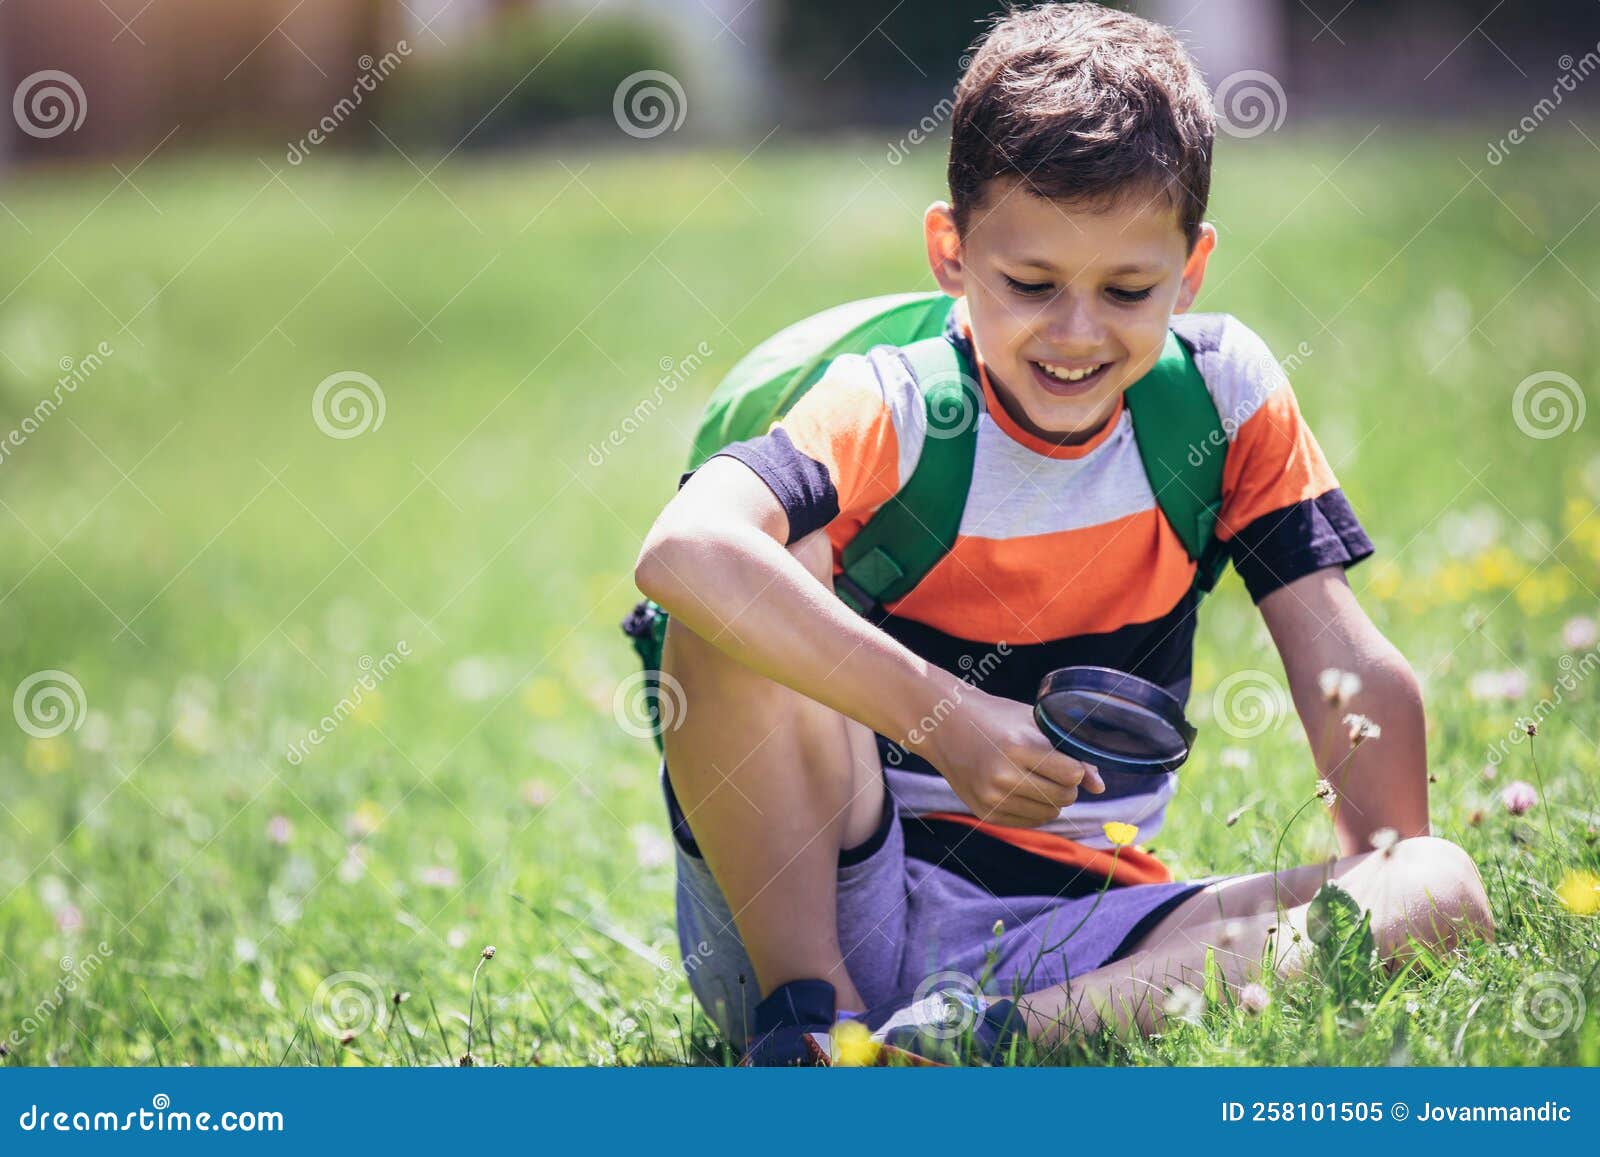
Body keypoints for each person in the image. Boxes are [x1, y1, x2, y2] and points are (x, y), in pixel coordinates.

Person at [632, 2, 1492, 1066]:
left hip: (1081, 937)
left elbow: (1340, 652)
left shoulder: (1220, 400)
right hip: (822, 895)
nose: (1076, 333)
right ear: (951, 251)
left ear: (1191, 268)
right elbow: (682, 551)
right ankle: (815, 1030)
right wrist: (949, 719)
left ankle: (963, 1048)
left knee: (1435, 882)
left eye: (1127, 289)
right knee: (754, 572)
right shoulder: (892, 405)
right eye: (1030, 285)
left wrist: (1371, 883)